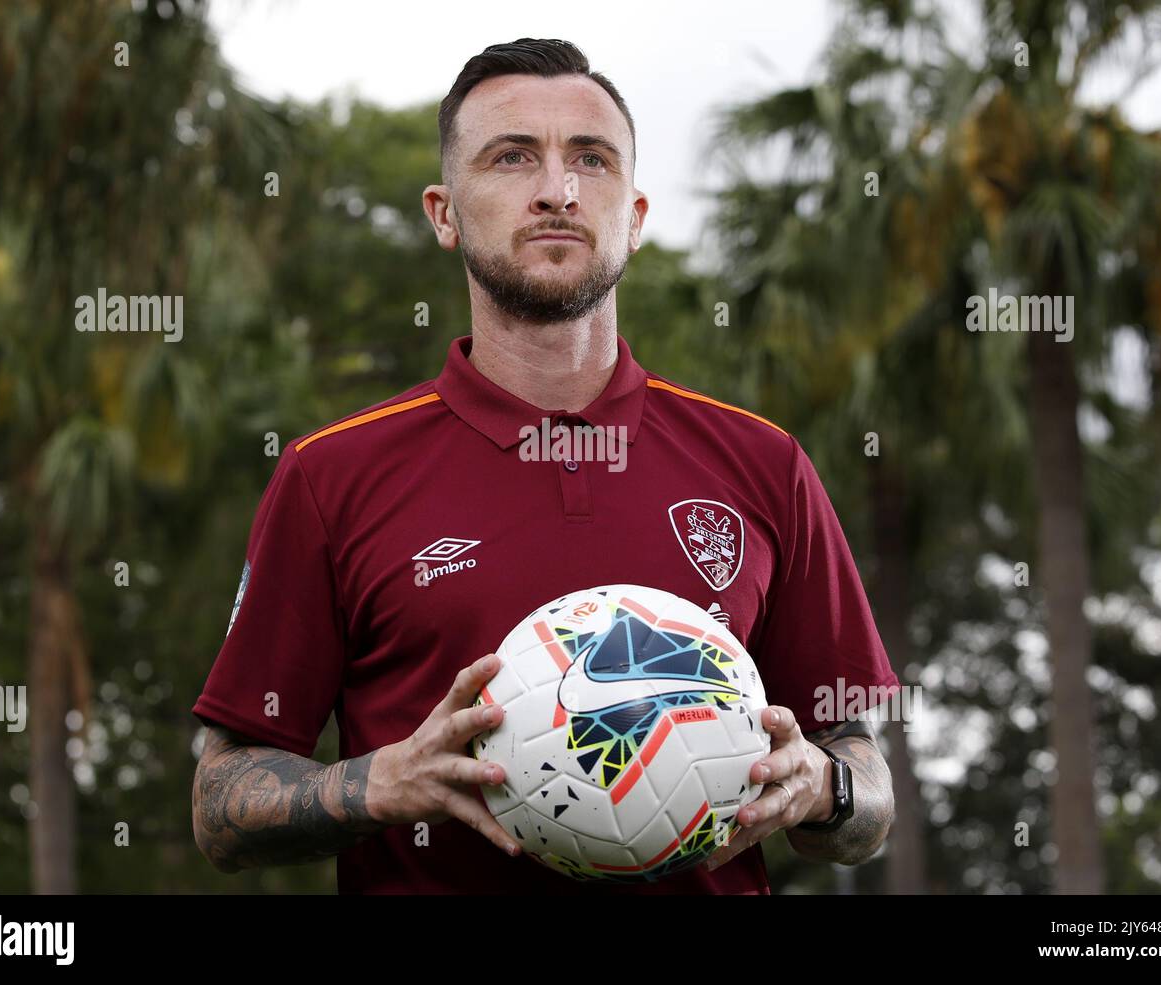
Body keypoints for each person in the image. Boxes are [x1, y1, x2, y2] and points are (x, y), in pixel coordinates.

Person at [191, 37, 900, 894]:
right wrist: (379, 782)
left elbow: (864, 779)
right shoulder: (328, 473)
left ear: (634, 218)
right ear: (444, 212)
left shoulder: (763, 461)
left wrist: (823, 787)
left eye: (590, 160)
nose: (557, 190)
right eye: (512, 156)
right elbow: (220, 800)